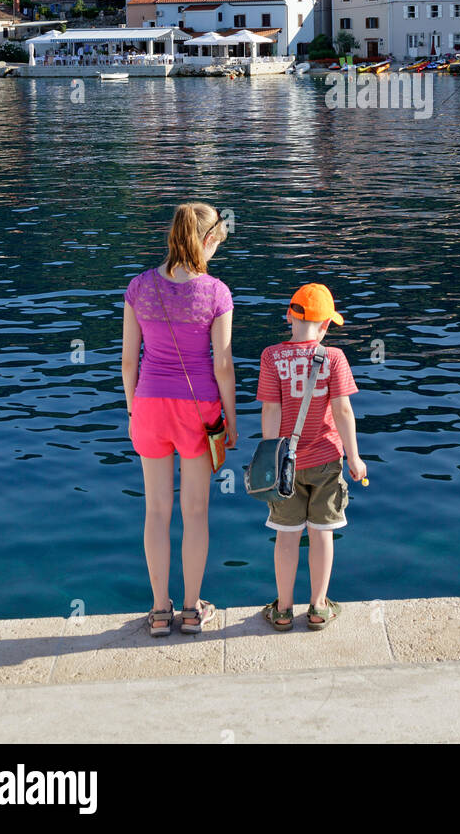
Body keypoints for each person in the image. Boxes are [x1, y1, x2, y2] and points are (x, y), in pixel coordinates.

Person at [122, 202, 237, 637]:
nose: (215, 255)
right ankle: (191, 609)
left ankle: (157, 611)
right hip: (198, 409)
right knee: (195, 512)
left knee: (155, 511)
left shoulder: (138, 288)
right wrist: (232, 413)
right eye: (217, 246)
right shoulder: (216, 293)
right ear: (207, 240)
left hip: (149, 405)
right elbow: (222, 365)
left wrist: (134, 410)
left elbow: (128, 362)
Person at [257, 283, 366, 631]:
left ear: (290, 316)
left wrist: (271, 459)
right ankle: (318, 606)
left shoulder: (271, 356)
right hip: (326, 460)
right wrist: (354, 457)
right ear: (325, 326)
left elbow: (270, 412)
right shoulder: (334, 358)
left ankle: (284, 609)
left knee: (287, 535)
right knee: (322, 533)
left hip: (285, 466)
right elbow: (343, 411)